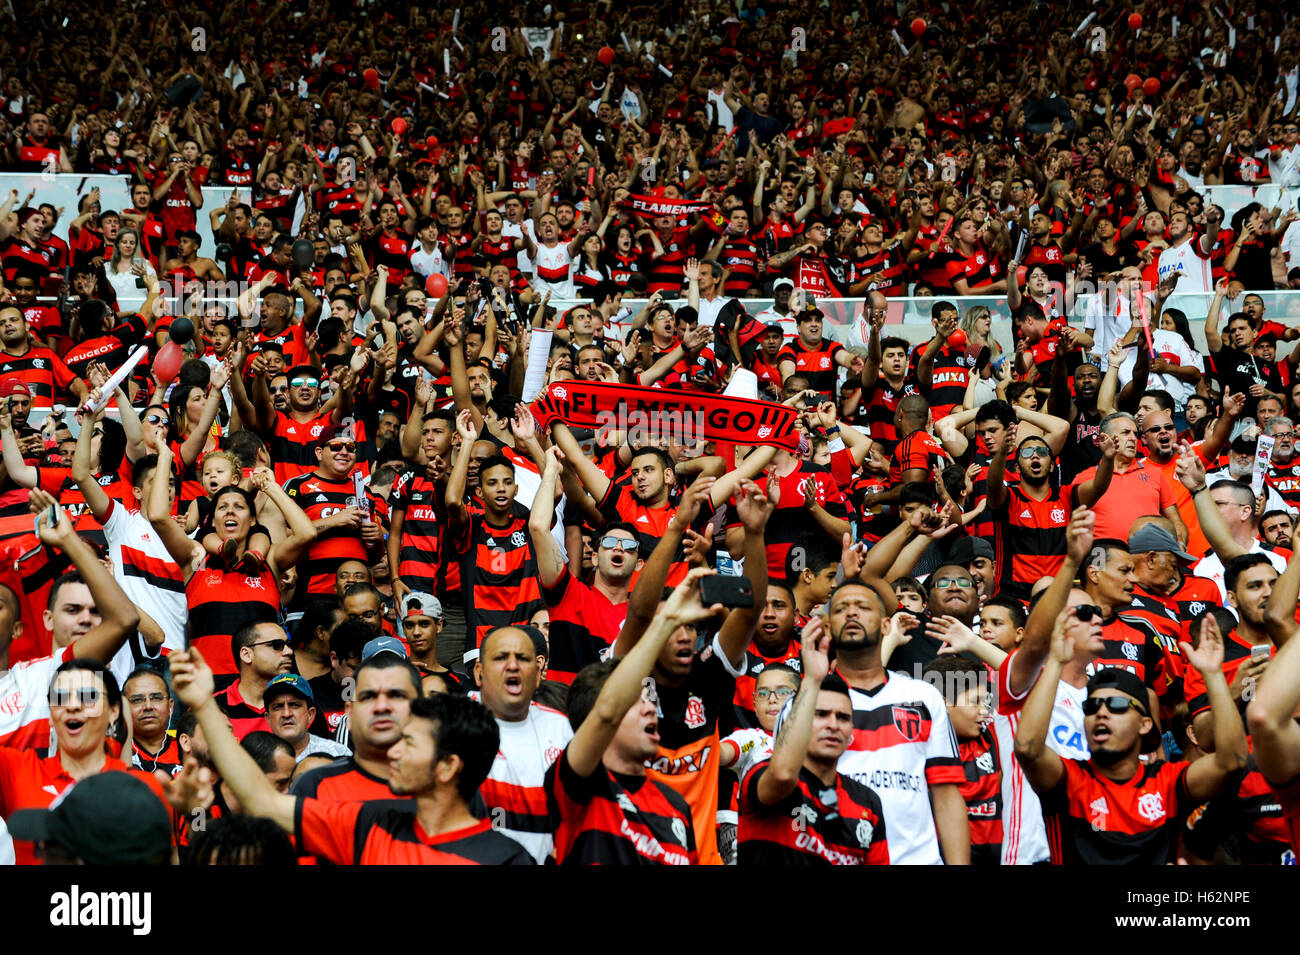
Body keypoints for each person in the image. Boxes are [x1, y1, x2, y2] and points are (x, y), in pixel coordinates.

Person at [169, 645, 533, 865]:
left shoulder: (504, 854)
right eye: (368, 696)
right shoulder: (368, 827)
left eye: (397, 697)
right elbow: (260, 800)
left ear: (448, 767)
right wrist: (202, 702)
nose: (383, 709)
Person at [1015, 606, 1247, 865]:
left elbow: (1232, 760)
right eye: (1092, 707)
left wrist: (1214, 676)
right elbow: (1027, 747)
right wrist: (1056, 662)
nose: (1101, 713)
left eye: (1115, 705)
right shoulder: (1070, 781)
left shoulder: (1167, 782)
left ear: (1145, 724)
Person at [547, 568, 722, 865]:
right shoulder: (580, 785)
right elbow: (606, 711)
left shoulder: (676, 807)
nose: (649, 707)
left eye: (649, 701)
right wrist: (666, 621)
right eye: (635, 702)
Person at [825, 577, 969, 865]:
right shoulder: (803, 704)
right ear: (828, 628)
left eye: (863, 607)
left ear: (886, 626)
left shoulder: (924, 696)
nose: (852, 613)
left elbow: (946, 795)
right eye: (841, 609)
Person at [737, 616, 889, 865]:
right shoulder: (761, 773)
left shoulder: (867, 802)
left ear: (851, 731)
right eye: (820, 714)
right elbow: (784, 774)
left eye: (842, 717)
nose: (832, 724)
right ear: (799, 720)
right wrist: (811, 680)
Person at [470, 625, 572, 863]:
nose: (513, 665)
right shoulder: (452, 723)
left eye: (523, 658)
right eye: (501, 657)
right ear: (479, 672)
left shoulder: (560, 728)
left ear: (537, 674)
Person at [263, 673, 351, 763]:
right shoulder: (254, 760)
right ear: (268, 718)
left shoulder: (337, 754)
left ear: (310, 714)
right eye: (278, 706)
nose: (286, 714)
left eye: (294, 705)